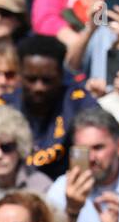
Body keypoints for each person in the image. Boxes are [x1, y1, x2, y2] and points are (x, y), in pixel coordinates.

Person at [16, 34, 90, 179]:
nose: (39, 87)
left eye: (47, 80)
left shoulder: (77, 100)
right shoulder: (4, 105)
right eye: (31, 79)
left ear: (61, 76)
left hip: (64, 187)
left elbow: (104, 134)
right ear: (20, 76)